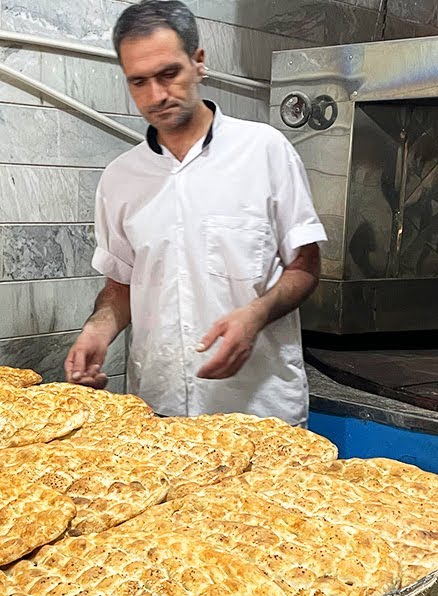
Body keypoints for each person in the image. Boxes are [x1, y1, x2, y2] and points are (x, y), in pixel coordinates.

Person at [63, 0, 325, 425]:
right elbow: (121, 285)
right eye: (139, 82)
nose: (156, 96)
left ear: (198, 61)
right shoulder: (120, 178)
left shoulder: (264, 151)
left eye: (169, 74)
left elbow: (306, 268)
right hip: (158, 410)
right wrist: (98, 330)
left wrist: (255, 315)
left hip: (259, 411)